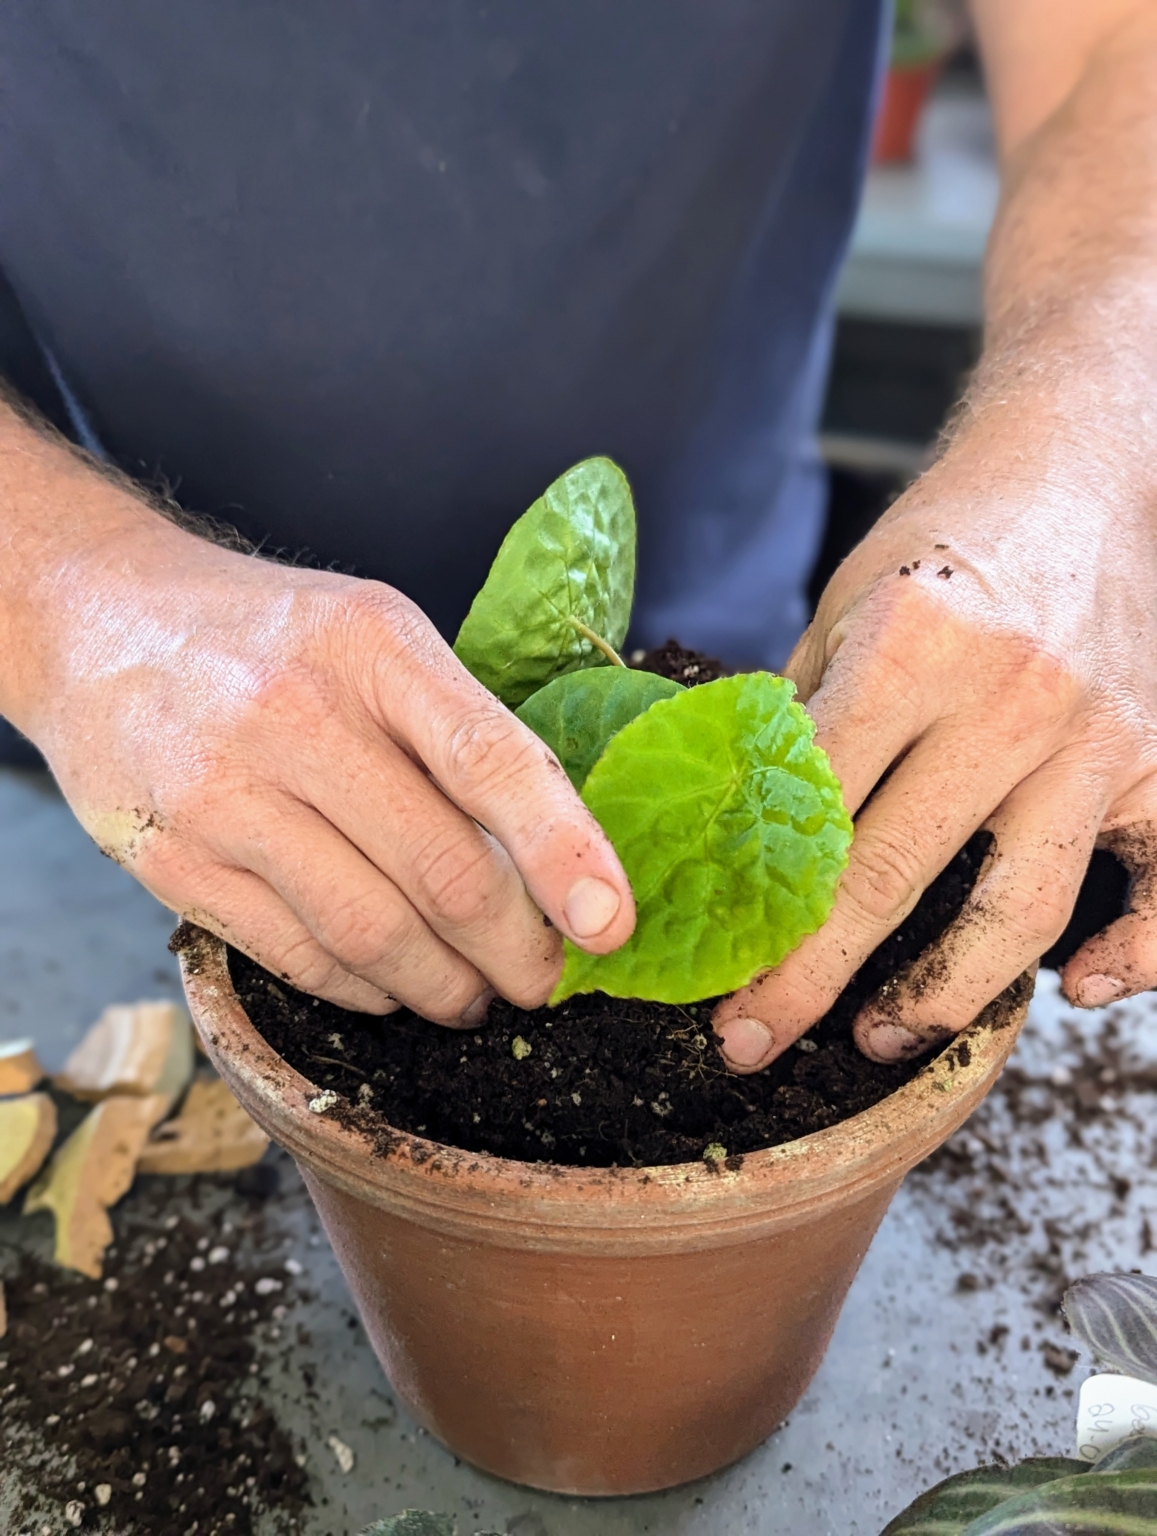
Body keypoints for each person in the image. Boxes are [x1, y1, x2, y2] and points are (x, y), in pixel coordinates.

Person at [0, 2, 1154, 1075]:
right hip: (122, 738)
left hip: (746, 638)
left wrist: (1082, 466)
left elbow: (1110, 44)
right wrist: (69, 597)